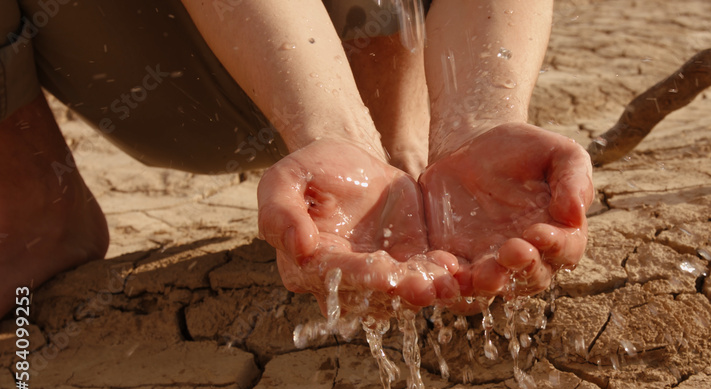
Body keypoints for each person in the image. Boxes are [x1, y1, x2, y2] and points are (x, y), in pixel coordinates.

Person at [0, 0, 593, 317]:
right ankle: (30, 199)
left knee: (384, 142)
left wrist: (480, 121)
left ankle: (395, 144)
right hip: (166, 73)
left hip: (378, 53)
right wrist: (327, 127)